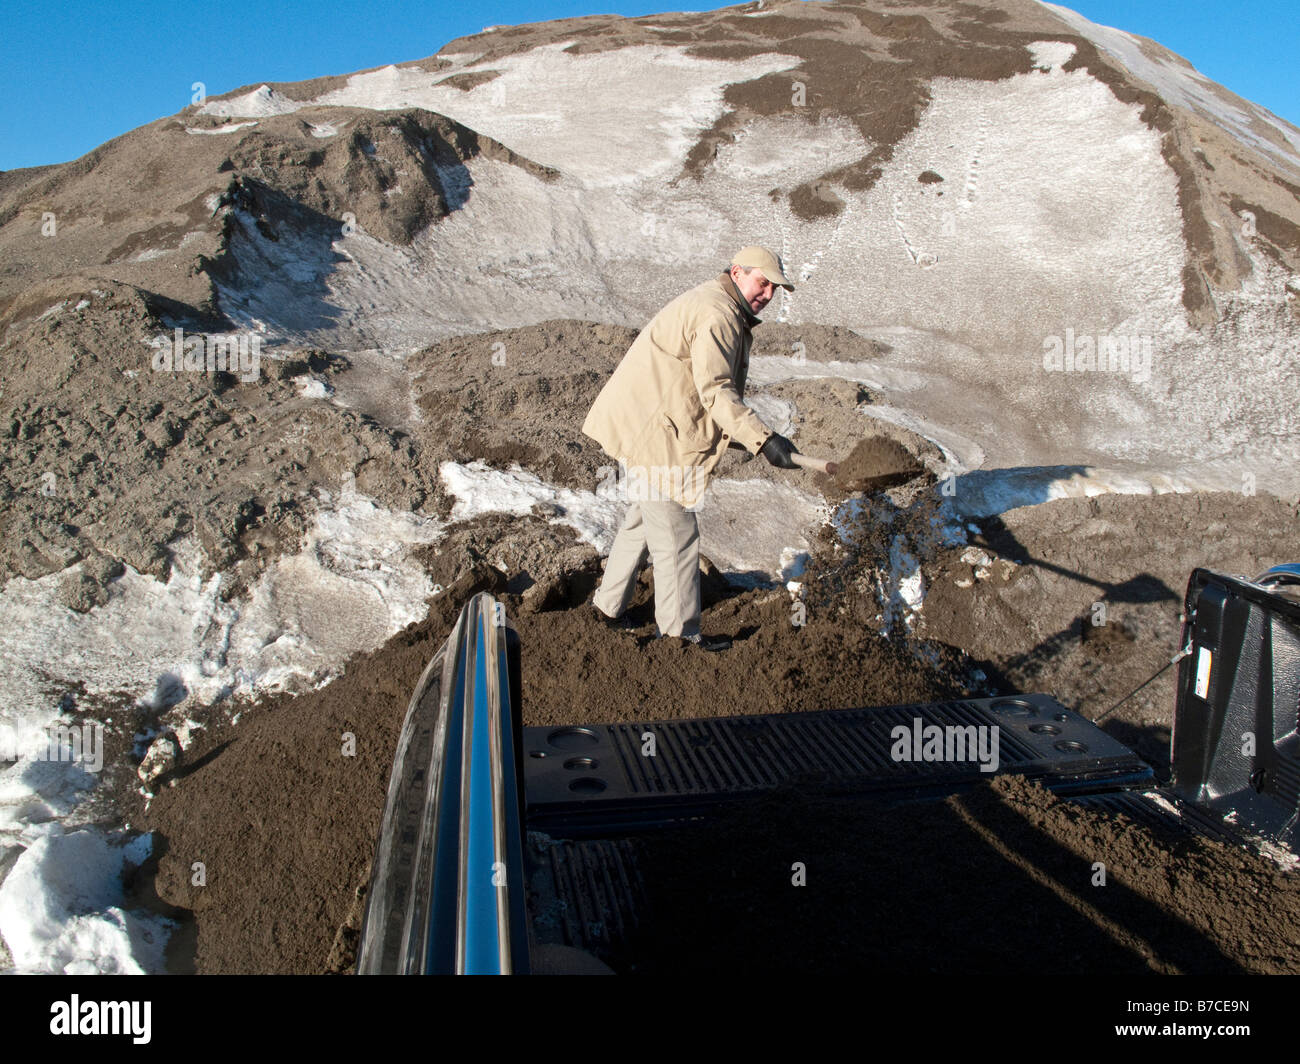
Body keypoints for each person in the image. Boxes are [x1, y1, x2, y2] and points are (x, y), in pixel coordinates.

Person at [582, 246, 801, 651]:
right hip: (657, 434)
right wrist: (764, 439)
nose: (768, 294)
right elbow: (715, 390)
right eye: (762, 283)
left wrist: (746, 437)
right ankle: (681, 638)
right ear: (738, 273)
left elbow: (703, 388)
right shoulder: (718, 314)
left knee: (644, 519)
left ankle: (608, 607)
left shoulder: (719, 302)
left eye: (775, 288)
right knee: (677, 530)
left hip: (651, 422)